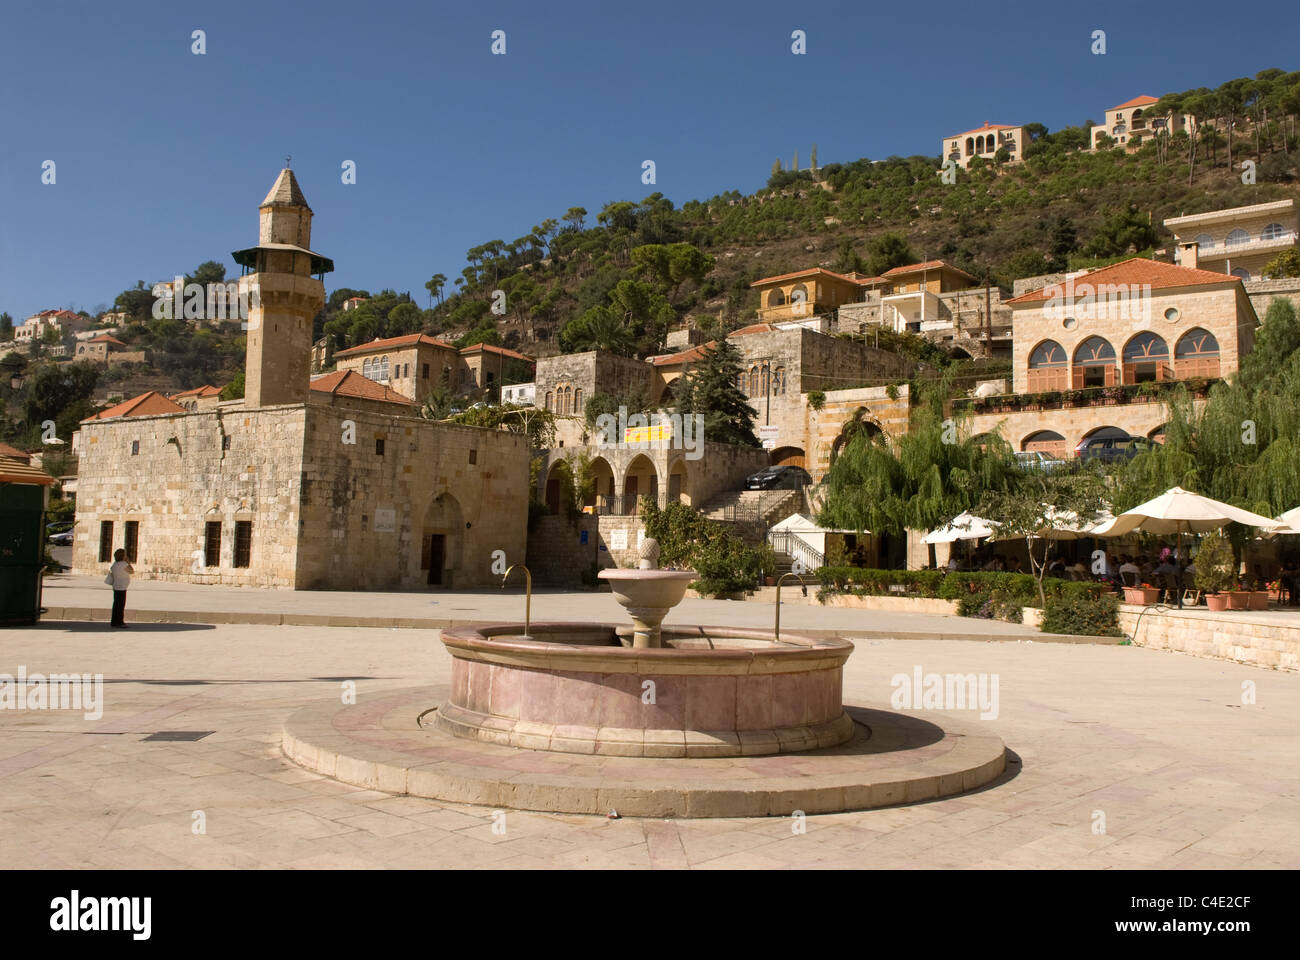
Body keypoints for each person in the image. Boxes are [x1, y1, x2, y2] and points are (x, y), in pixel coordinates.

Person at [106, 548, 134, 628]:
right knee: (121, 605)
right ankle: (120, 622)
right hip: (122, 587)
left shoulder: (115, 564)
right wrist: (128, 562)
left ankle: (114, 621)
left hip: (116, 585)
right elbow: (131, 571)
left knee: (116, 605)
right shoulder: (124, 564)